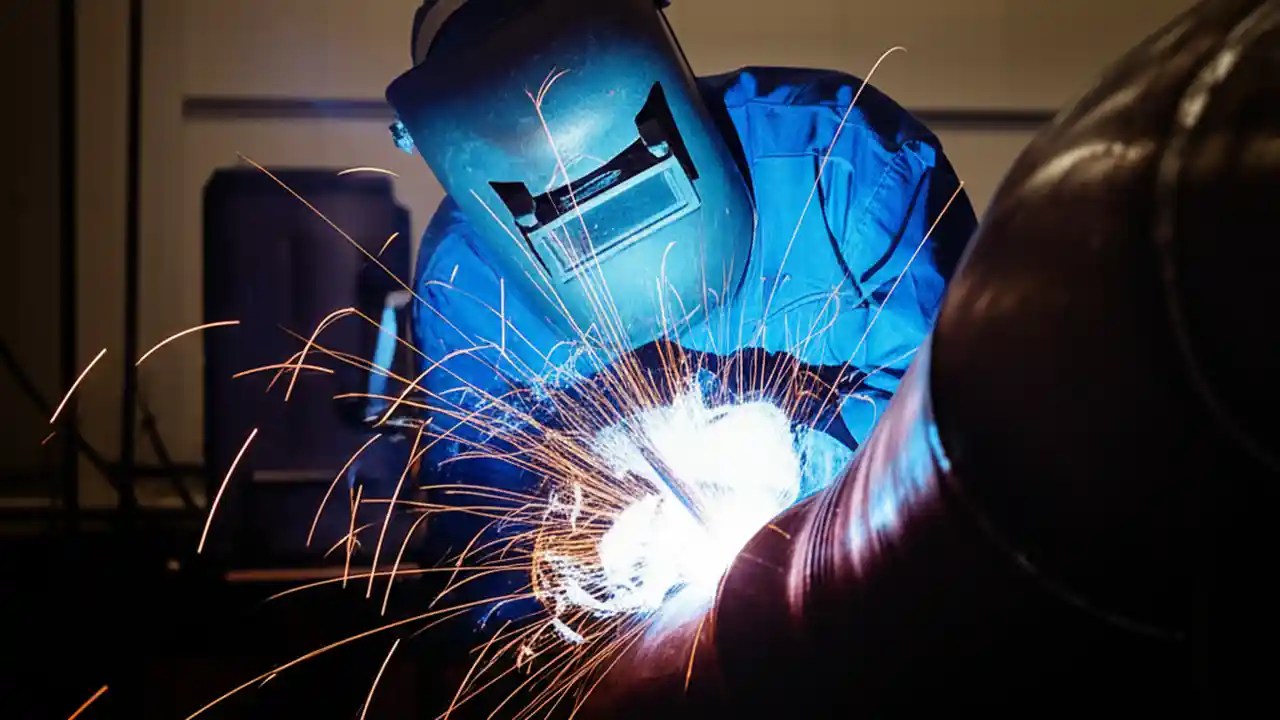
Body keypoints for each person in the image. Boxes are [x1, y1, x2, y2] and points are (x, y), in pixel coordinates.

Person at [383, 0, 977, 627]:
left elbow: (959, 418)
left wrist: (795, 469)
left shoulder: (842, 155)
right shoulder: (470, 275)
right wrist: (566, 561)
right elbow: (483, 536)